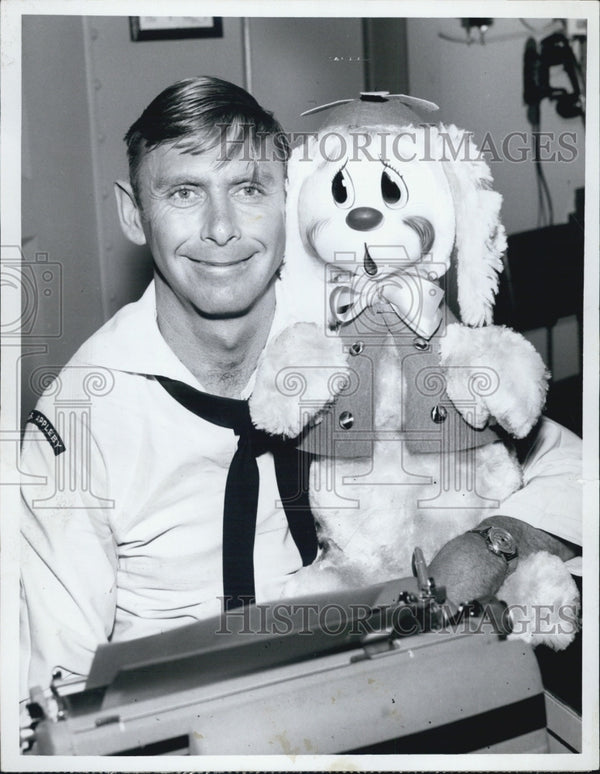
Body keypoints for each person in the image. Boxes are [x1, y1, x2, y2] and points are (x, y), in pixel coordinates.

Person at [20, 76, 582, 697]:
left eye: (248, 189)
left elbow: (571, 469)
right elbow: (55, 678)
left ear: (289, 199)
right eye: (184, 191)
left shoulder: (358, 331)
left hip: (385, 681)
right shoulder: (81, 416)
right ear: (134, 213)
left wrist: (494, 541)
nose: (222, 228)